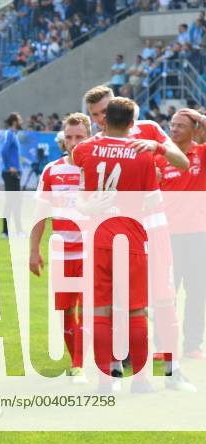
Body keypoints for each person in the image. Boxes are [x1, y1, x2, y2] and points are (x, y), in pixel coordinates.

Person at [72, 97, 193, 393]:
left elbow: (182, 160)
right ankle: (123, 372)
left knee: (163, 303)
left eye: (102, 112)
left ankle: (171, 371)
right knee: (127, 308)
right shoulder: (118, 148)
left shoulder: (149, 130)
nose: (98, 118)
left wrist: (158, 149)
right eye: (93, 114)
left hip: (149, 231)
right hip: (133, 230)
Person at [30, 113, 92, 384]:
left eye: (80, 137)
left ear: (90, 137)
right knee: (66, 310)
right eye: (69, 137)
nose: (74, 142)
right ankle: (78, 363)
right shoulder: (51, 170)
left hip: (92, 251)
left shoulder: (98, 170)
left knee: (93, 310)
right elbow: (40, 215)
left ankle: (82, 363)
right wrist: (34, 251)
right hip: (62, 253)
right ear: (62, 139)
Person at [154, 108, 206, 360]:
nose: (173, 129)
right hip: (166, 236)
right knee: (165, 293)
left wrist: (203, 120)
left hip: (198, 236)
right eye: (172, 124)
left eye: (180, 126)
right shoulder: (160, 156)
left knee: (197, 292)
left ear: (195, 129)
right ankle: (163, 346)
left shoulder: (202, 154)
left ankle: (192, 344)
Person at [0, 112, 23, 238]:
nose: (21, 122)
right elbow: (3, 151)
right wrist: (10, 167)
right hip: (10, 173)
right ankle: (6, 231)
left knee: (16, 202)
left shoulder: (13, 134)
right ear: (14, 121)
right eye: (19, 119)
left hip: (13, 173)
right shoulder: (10, 134)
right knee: (11, 202)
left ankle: (16, 230)